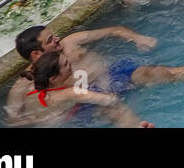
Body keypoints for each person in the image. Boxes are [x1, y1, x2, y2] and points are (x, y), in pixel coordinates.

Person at [6, 24, 184, 124]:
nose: (57, 40)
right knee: (115, 110)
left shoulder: (70, 42)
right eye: (50, 40)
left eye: (54, 35)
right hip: (85, 100)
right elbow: (15, 117)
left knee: (154, 72)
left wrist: (137, 38)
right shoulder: (25, 83)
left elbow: (114, 30)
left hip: (112, 74)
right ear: (36, 54)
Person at [21, 50, 154, 128]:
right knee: (114, 108)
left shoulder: (32, 88)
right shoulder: (70, 93)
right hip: (68, 121)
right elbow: (108, 100)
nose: (71, 64)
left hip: (48, 121)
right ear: (54, 78)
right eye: (66, 65)